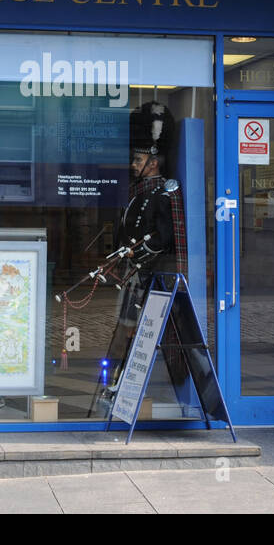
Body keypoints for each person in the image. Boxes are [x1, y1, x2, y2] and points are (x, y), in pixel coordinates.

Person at [104, 102, 188, 393]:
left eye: (138, 160)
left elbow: (166, 236)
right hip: (134, 273)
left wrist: (137, 256)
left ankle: (130, 382)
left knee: (144, 329)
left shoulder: (165, 190)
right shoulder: (136, 190)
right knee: (126, 326)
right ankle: (116, 380)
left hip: (151, 273)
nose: (133, 165)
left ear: (152, 162)